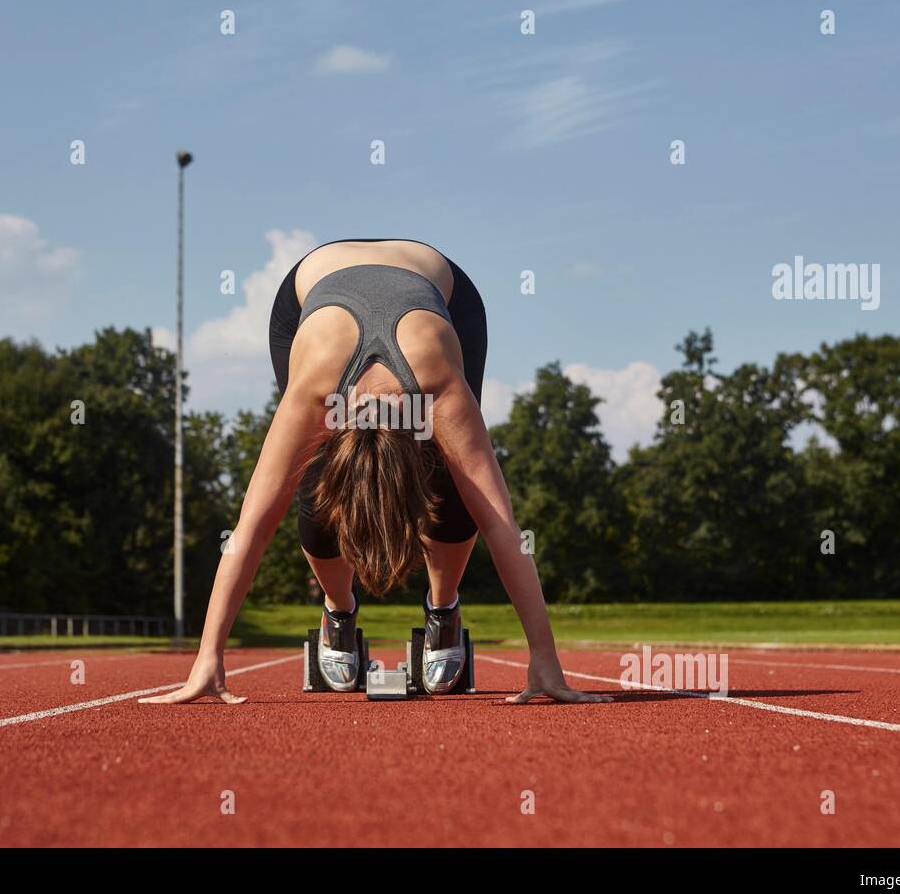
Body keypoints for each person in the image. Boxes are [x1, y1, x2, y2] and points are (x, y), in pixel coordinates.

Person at [144, 239, 604, 705]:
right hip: (310, 290)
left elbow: (498, 522)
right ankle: (337, 612)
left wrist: (545, 657)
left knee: (456, 485)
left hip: (443, 291)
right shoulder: (315, 393)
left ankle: (443, 610)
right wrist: (208, 655)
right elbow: (251, 528)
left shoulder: (438, 384)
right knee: (312, 485)